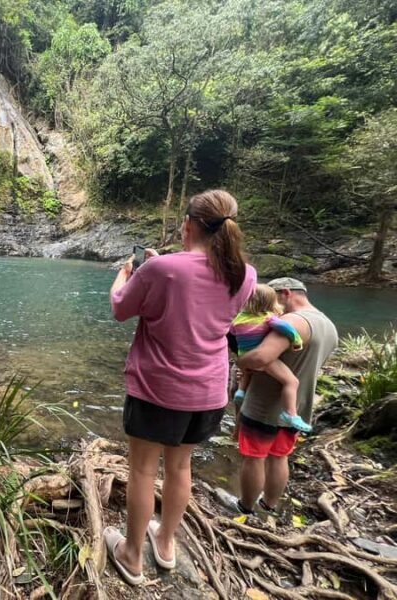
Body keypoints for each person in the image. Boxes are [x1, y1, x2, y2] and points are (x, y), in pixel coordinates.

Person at [104, 190, 256, 587]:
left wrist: (127, 274)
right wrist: (159, 268)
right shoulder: (246, 273)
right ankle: (166, 543)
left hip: (158, 389)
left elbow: (121, 308)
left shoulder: (162, 270)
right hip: (208, 393)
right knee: (180, 466)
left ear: (187, 224)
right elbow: (197, 292)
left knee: (141, 469)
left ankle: (132, 555)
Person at [235, 277, 338, 515]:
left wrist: (241, 360)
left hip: (264, 404)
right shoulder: (329, 326)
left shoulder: (291, 320)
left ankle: (245, 508)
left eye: (273, 298)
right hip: (297, 407)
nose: (271, 305)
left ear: (286, 293)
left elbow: (260, 357)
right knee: (279, 457)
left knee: (254, 457)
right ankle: (269, 505)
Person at [230, 284, 312, 433]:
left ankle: (241, 391)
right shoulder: (268, 318)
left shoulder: (238, 319)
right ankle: (291, 414)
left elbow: (232, 332)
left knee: (245, 371)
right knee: (291, 381)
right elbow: (287, 329)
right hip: (261, 357)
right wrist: (297, 341)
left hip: (244, 355)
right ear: (270, 302)